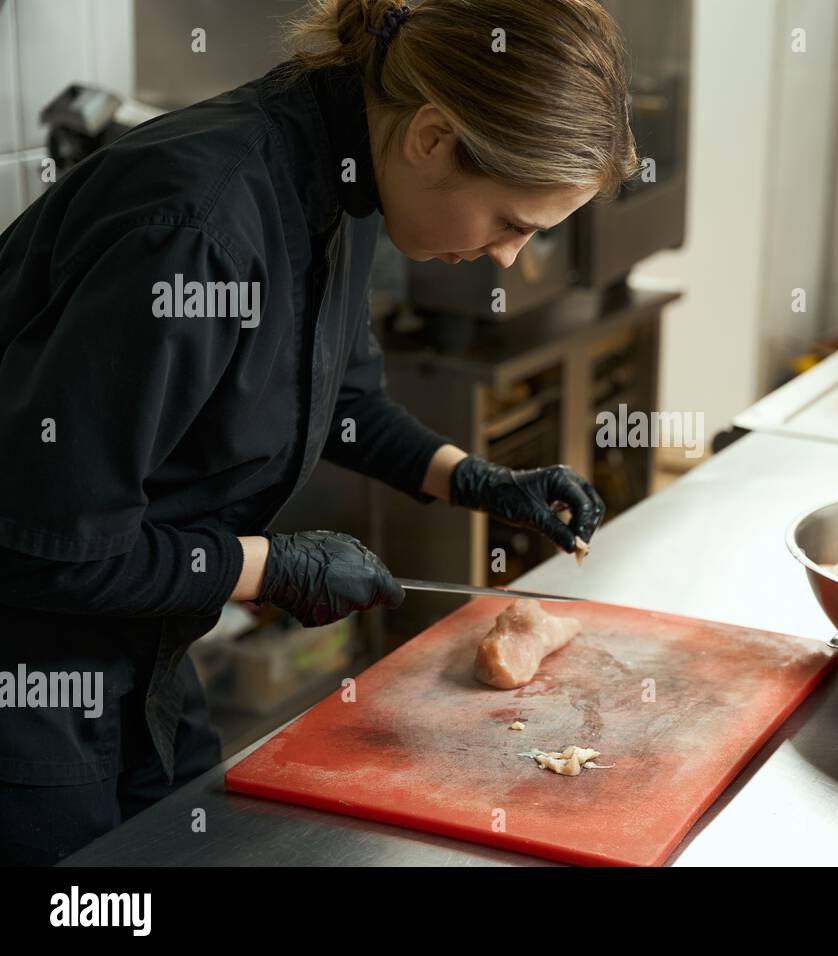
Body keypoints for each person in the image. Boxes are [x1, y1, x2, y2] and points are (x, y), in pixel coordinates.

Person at [0, 0, 635, 864]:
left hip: (142, 642)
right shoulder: (198, 230)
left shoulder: (347, 175)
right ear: (434, 138)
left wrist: (474, 479)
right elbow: (54, 543)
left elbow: (333, 397)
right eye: (513, 222)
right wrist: (271, 568)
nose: (508, 259)